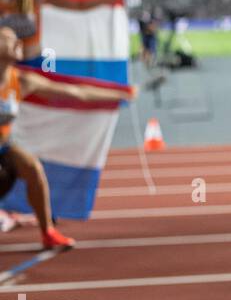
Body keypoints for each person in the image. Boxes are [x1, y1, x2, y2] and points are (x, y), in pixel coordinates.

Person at [0, 27, 136, 248]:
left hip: (4, 147)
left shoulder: (22, 81)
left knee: (33, 170)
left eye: (16, 40)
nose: (17, 43)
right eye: (7, 40)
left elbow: (75, 92)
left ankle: (48, 233)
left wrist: (120, 94)